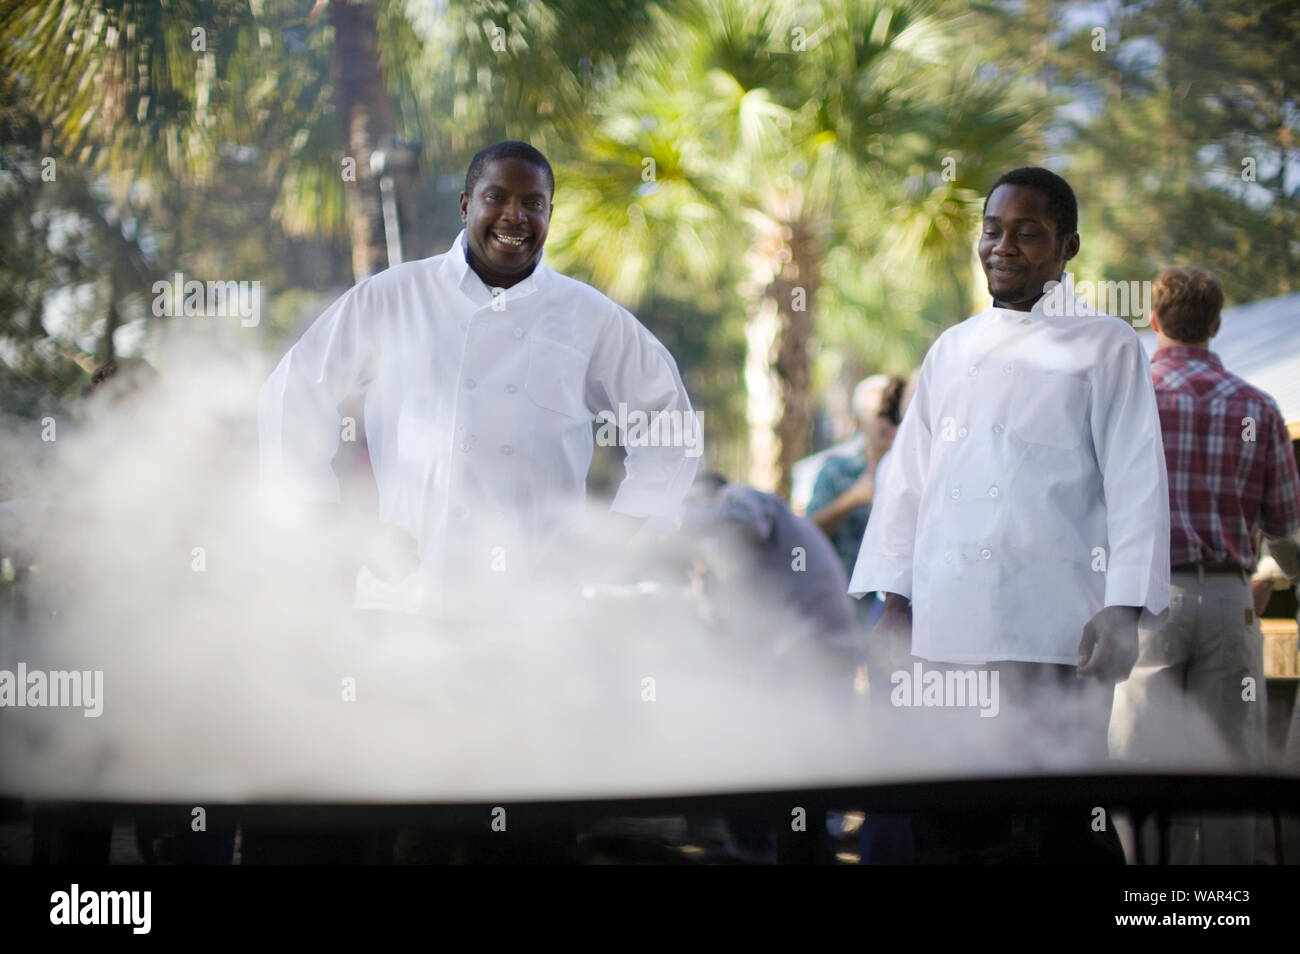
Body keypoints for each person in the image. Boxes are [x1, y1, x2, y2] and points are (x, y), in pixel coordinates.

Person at [257, 140, 700, 862]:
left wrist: (609, 541)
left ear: (550, 216)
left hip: (534, 618)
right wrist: (334, 525)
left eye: (534, 203)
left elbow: (671, 432)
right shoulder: (391, 297)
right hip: (404, 608)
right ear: (467, 204)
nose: (514, 216)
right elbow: (291, 399)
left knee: (527, 829)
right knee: (400, 820)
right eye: (498, 197)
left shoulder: (587, 317)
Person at [850, 167, 1170, 863]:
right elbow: (906, 484)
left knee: (1056, 828)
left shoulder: (1105, 343)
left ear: (1068, 246)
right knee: (948, 821)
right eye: (993, 230)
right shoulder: (952, 348)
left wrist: (1124, 608)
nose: (1004, 246)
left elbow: (1137, 480)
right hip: (948, 628)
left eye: (1029, 233)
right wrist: (894, 603)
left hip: (1055, 633)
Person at [1109, 266, 1300, 864]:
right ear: (1215, 325)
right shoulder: (1258, 407)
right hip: (1229, 602)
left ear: (1155, 320)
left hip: (1144, 601)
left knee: (1135, 769)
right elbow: (1285, 528)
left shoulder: (1127, 401)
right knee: (1229, 776)